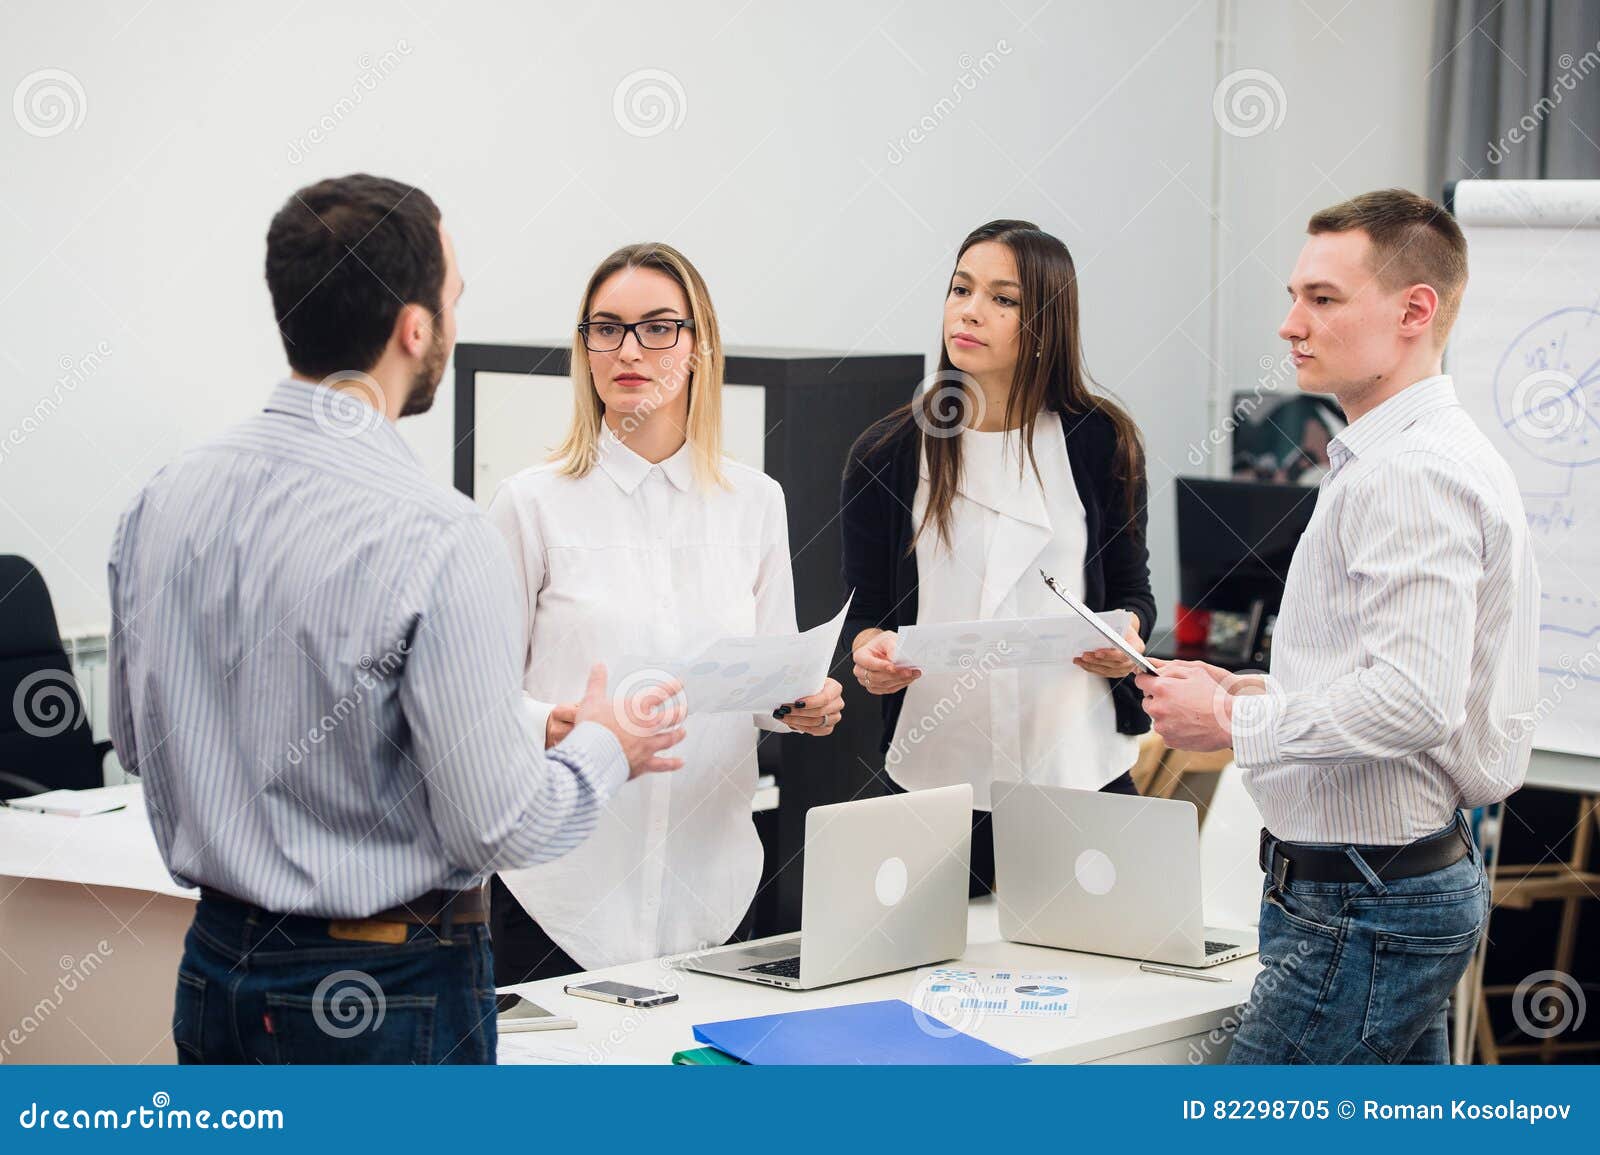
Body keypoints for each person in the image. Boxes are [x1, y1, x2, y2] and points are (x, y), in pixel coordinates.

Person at [107, 174, 685, 1065]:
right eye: (453, 300)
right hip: (384, 999)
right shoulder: (440, 535)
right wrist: (607, 746)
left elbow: (142, 745)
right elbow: (502, 828)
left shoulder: (162, 499)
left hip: (213, 972)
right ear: (415, 329)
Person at [1139, 189, 1539, 1065]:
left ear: (1414, 310)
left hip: (1363, 904)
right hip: (1380, 889)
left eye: (1322, 299)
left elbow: (1414, 702)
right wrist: (1247, 690)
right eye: (1293, 296)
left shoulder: (1410, 473)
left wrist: (1232, 721)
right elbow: (1390, 679)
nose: (1290, 323)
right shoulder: (1403, 457)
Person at [485, 242, 844, 980]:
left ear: (698, 346)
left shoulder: (755, 502)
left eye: (657, 327)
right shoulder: (532, 503)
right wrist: (556, 722)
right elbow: (476, 699)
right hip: (556, 894)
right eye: (605, 328)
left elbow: (768, 686)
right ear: (584, 347)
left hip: (713, 890)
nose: (628, 349)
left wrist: (801, 702)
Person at [841, 219, 1155, 896]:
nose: (971, 311)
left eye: (1003, 299)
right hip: (935, 776)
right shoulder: (888, 451)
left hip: (1079, 767)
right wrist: (872, 654)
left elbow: (1133, 592)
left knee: (1101, 983)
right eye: (961, 288)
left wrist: (1125, 636)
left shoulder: (1101, 440)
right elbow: (865, 613)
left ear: (1047, 320)